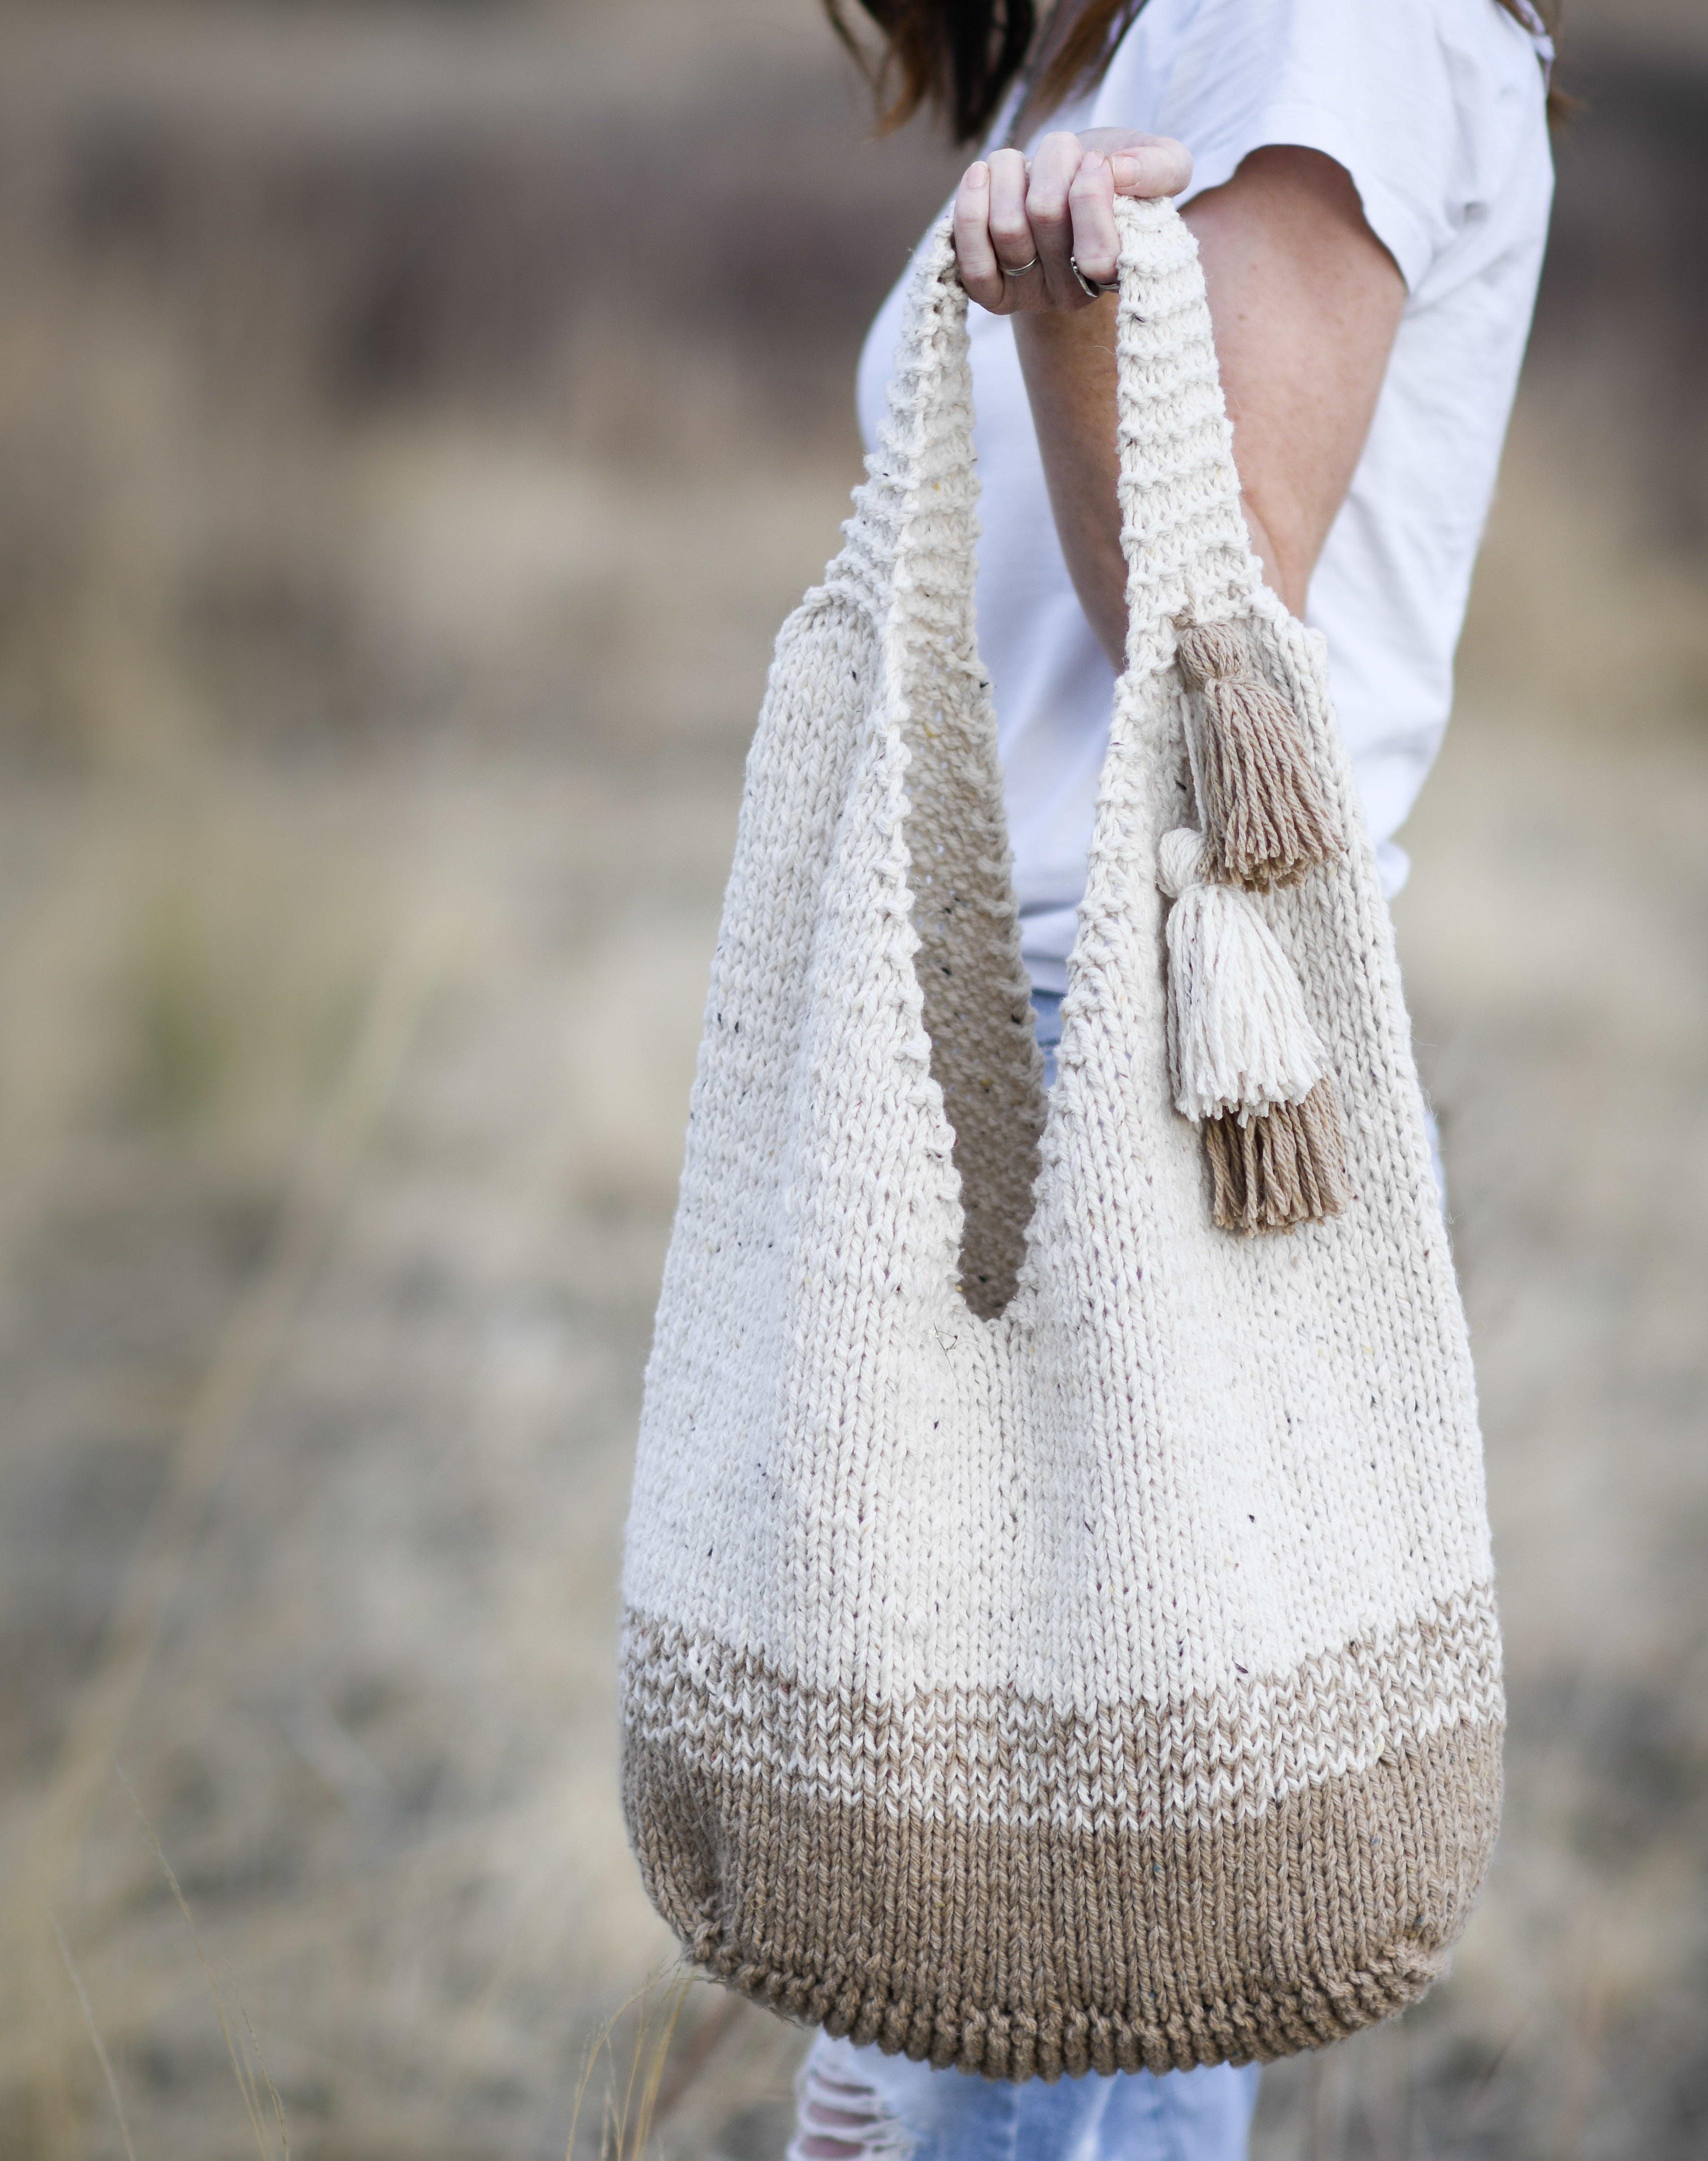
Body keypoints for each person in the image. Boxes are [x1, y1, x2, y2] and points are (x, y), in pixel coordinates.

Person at [787, 1, 1555, 2157]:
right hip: (992, 1033)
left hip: (1139, 1064)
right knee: (934, 2011)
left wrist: (1067, 322)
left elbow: (1221, 627)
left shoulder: (1341, 19)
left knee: (1057, 2014)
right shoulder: (1120, 39)